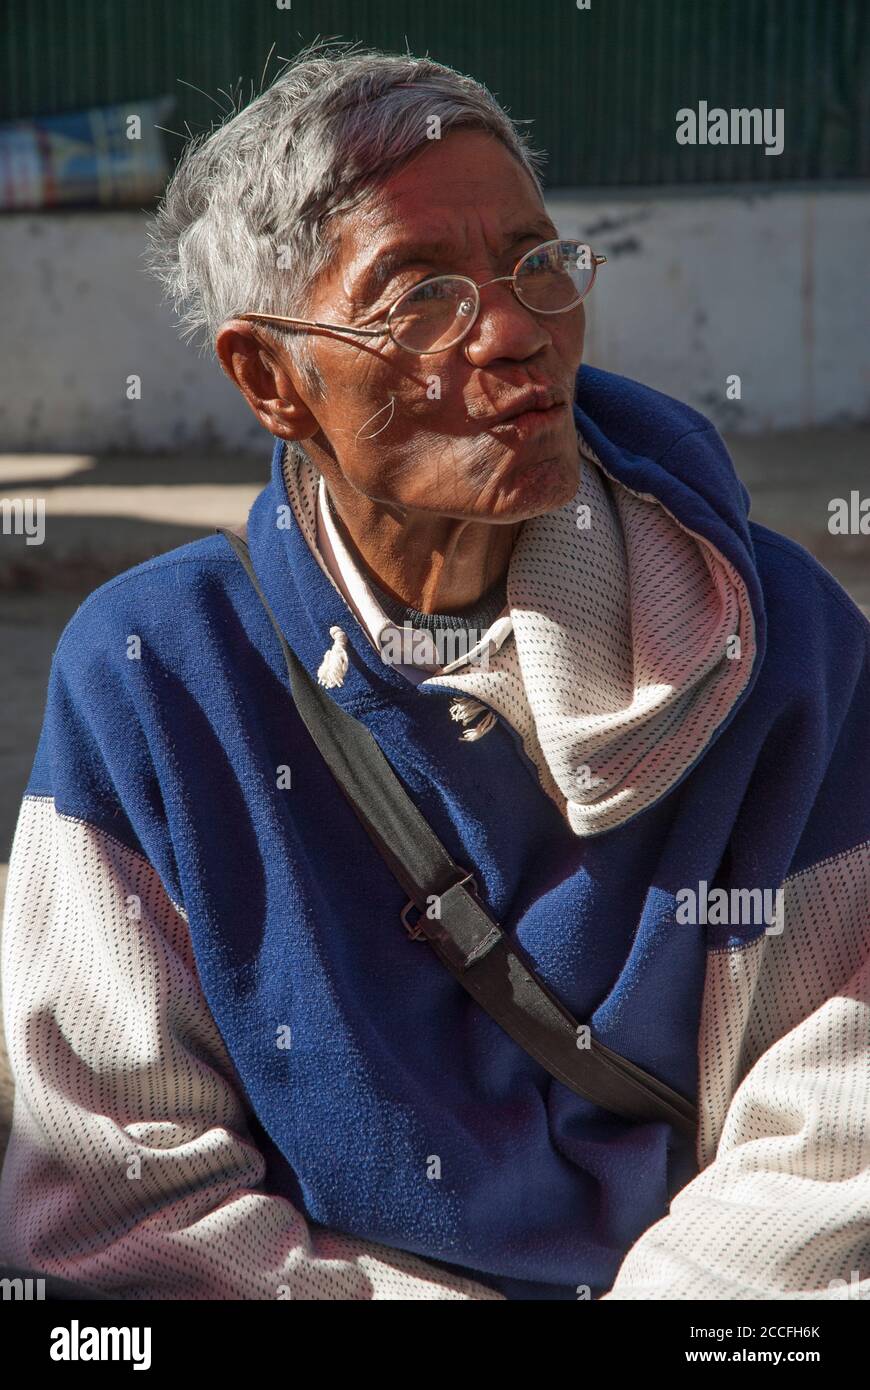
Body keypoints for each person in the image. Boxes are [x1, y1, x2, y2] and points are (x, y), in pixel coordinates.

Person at [0, 42, 867, 1302]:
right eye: (420, 297)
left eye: (534, 262)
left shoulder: (781, 640)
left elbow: (835, 1129)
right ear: (272, 379)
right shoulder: (153, 677)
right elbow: (110, 1188)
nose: (517, 330)